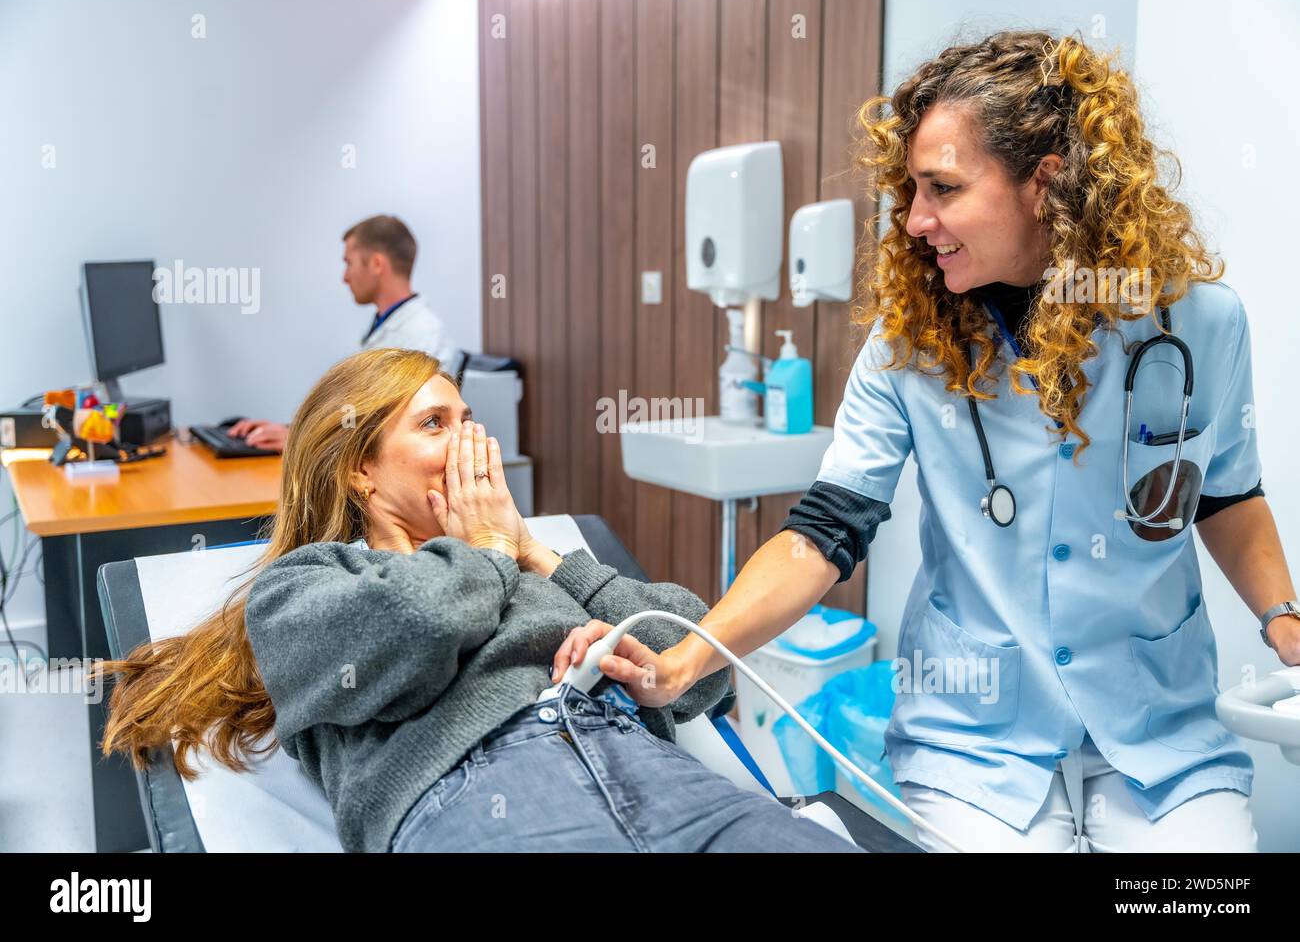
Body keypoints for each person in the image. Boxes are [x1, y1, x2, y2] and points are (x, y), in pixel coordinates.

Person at [552, 30, 1300, 852]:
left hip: (1159, 734)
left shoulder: (1198, 324)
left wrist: (1285, 618)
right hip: (976, 740)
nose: (914, 220)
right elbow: (824, 532)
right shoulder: (909, 345)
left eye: (941, 188)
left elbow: (1227, 494)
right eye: (910, 189)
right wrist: (689, 659)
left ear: (1045, 184)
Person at [95, 348, 859, 853]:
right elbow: (419, 624)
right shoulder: (308, 583)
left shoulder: (529, 567)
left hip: (655, 775)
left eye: (469, 422)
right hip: (474, 798)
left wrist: (539, 555)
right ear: (361, 472)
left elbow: (705, 656)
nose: (470, 445)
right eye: (435, 425)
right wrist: (491, 550)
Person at [227, 214, 459, 452]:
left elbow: (386, 429)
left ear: (377, 264)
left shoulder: (423, 336)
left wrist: (302, 441)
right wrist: (294, 431)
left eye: (349, 263)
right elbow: (360, 412)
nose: (345, 276)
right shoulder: (387, 326)